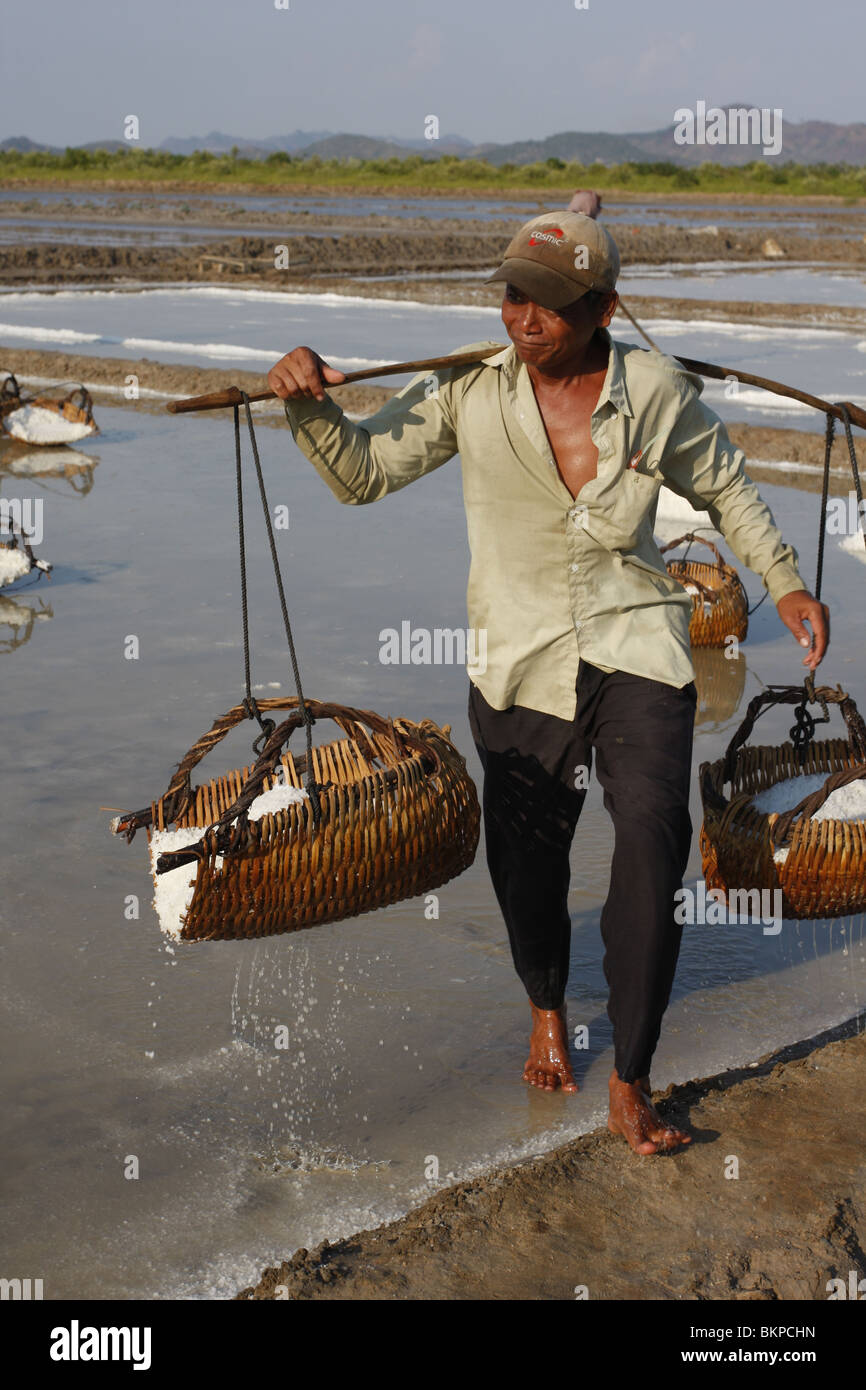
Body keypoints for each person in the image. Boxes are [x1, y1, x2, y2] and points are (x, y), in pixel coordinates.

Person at [267, 211, 829, 1155]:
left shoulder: (654, 392)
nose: (523, 319)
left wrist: (788, 582)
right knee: (528, 863)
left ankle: (633, 1076)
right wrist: (304, 400)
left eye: (550, 305)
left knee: (654, 841)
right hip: (518, 658)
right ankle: (544, 1006)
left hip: (640, 647)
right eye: (512, 296)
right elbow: (360, 474)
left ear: (605, 308)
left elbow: (727, 484)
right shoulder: (466, 390)